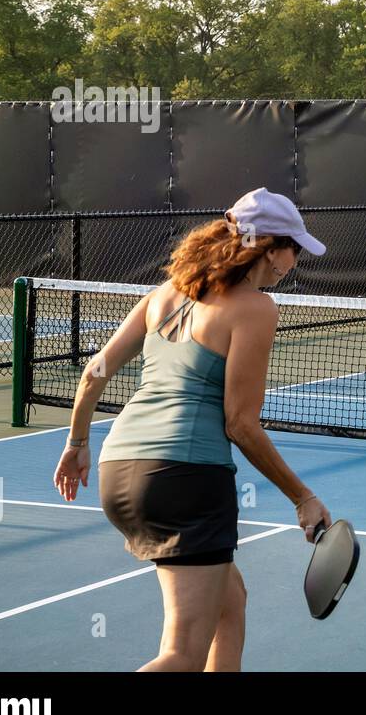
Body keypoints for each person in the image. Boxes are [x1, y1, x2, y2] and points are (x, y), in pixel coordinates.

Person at [51, 188, 334, 671]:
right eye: (294, 248)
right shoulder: (256, 308)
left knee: (232, 603)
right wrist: (302, 498)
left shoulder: (165, 294)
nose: (295, 261)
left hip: (118, 470)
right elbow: (240, 424)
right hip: (184, 479)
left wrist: (77, 442)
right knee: (181, 656)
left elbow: (94, 371)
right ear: (266, 247)